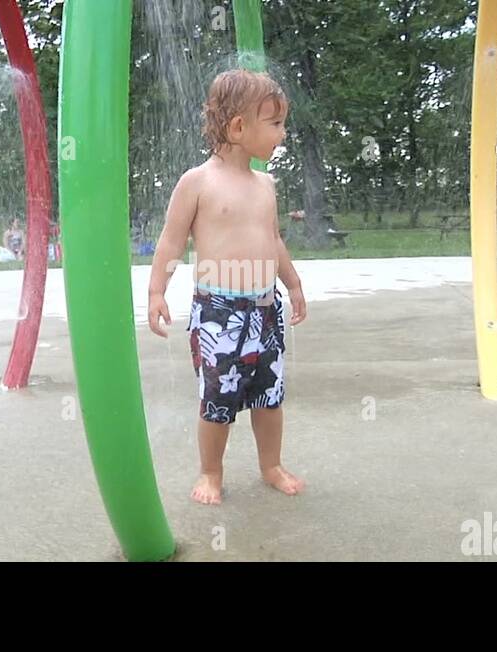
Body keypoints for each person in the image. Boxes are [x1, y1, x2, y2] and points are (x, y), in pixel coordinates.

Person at [147, 69, 308, 505]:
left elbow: (274, 240)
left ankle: (270, 465)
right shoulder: (197, 182)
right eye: (274, 123)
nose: (283, 133)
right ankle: (211, 472)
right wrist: (156, 291)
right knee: (217, 401)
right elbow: (172, 241)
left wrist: (291, 284)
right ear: (239, 127)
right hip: (219, 313)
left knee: (269, 396)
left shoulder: (266, 185)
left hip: (265, 309)